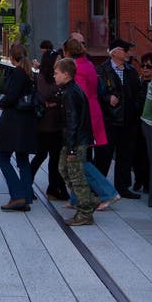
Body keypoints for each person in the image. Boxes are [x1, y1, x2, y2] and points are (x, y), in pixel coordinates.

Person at [63, 37, 119, 211]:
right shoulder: (88, 64)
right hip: (93, 113)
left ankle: (107, 192)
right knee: (80, 158)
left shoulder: (77, 69)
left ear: (68, 52)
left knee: (80, 159)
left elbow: (78, 97)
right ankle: (77, 198)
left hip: (84, 117)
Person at [54, 57, 99, 226]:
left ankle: (85, 211)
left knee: (75, 175)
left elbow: (72, 121)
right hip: (73, 140)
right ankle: (88, 200)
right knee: (63, 168)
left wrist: (71, 148)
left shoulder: (71, 93)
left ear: (66, 74)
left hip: (76, 141)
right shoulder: (69, 90)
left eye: (56, 73)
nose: (54, 76)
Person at [0, 44, 38, 211]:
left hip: (14, 121)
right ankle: (26, 195)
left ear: (12, 57)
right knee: (23, 159)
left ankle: (17, 195)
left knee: (2, 157)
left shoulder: (18, 73)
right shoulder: (29, 73)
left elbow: (11, 95)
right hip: (26, 122)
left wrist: (2, 103)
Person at [95, 38, 142, 198]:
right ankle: (98, 187)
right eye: (125, 50)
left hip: (128, 121)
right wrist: (107, 98)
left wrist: (135, 109)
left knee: (125, 155)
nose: (129, 53)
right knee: (104, 155)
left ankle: (122, 187)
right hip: (109, 120)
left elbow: (138, 92)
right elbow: (96, 93)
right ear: (115, 52)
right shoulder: (101, 70)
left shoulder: (131, 70)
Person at [30, 45, 69, 201]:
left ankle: (54, 188)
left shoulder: (53, 77)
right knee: (41, 155)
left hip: (56, 124)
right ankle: (26, 185)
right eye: (57, 60)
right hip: (44, 124)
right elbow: (46, 95)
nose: (59, 62)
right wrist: (56, 99)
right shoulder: (41, 77)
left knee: (55, 158)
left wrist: (55, 101)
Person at [133, 53, 152, 193]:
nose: (145, 68)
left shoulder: (151, 85)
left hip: (148, 124)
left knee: (147, 155)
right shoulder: (138, 81)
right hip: (136, 123)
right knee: (138, 153)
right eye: (143, 65)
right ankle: (139, 180)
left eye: (149, 66)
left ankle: (147, 183)